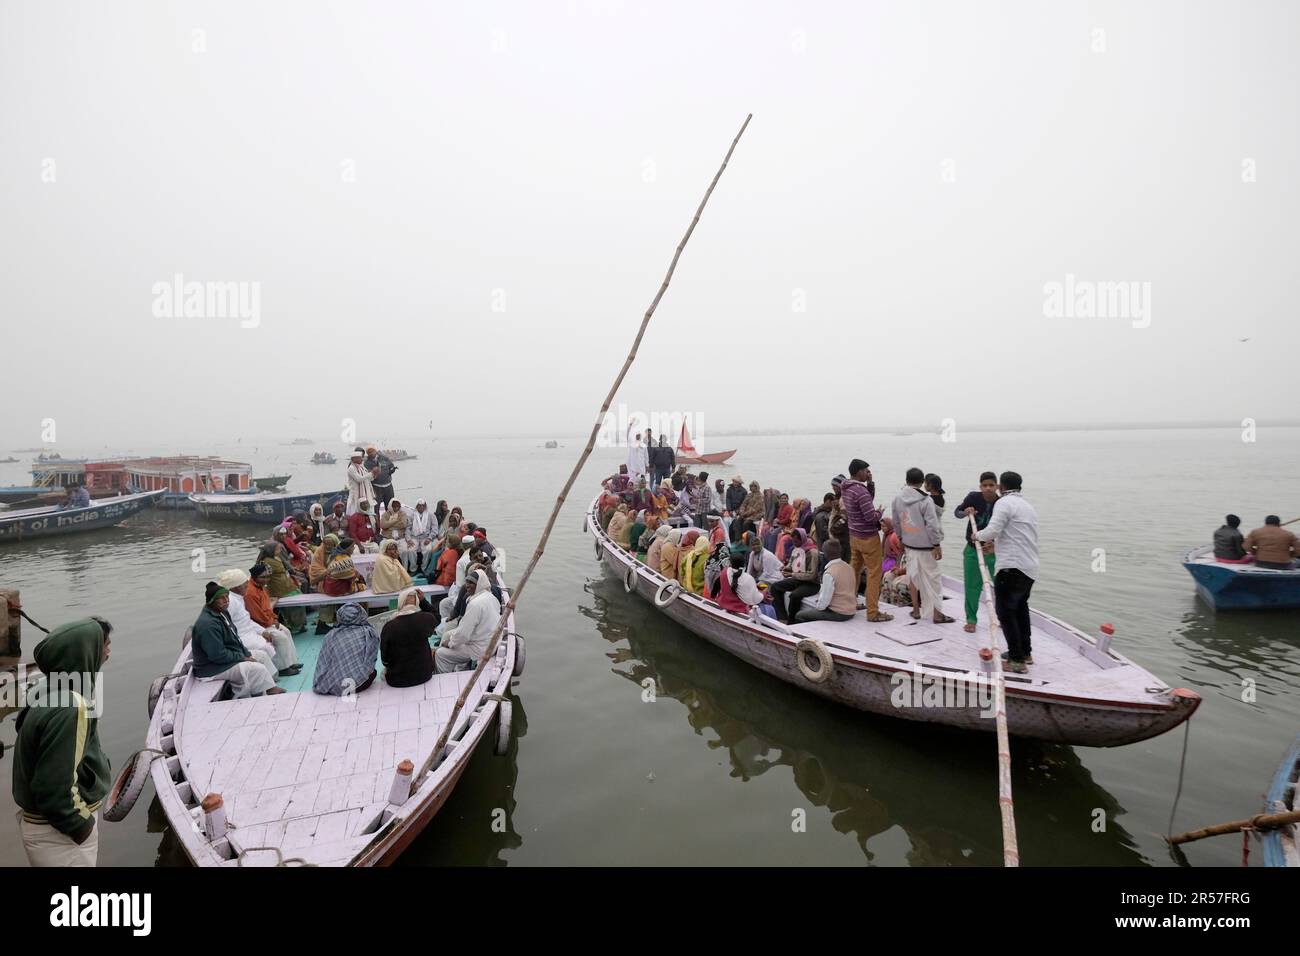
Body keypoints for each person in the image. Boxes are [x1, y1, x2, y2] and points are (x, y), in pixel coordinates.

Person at [11, 616, 113, 866]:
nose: (108, 651)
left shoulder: (47, 689)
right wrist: (82, 827)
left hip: (41, 826)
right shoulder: (71, 705)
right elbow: (54, 790)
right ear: (84, 652)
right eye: (104, 645)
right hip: (59, 835)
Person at [974, 471, 1039, 673]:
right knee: (1020, 610)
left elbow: (993, 530)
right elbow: (1016, 535)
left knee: (1005, 612)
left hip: (1012, 568)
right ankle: (1024, 652)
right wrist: (996, 546)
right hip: (1029, 567)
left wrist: (977, 535)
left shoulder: (1004, 503)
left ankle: (1017, 661)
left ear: (1001, 487)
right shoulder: (1027, 506)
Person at [191, 583, 281, 697]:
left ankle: (269, 688)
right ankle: (258, 695)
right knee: (255, 668)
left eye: (227, 597)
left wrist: (246, 653)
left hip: (225, 658)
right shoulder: (208, 625)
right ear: (211, 601)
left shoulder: (222, 612)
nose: (226, 600)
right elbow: (217, 655)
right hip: (211, 668)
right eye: (221, 598)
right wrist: (242, 658)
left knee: (261, 655)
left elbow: (235, 638)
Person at [891, 467, 952, 625]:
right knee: (934, 580)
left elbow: (896, 522)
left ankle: (916, 610)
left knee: (913, 577)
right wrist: (936, 544)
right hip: (926, 547)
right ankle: (937, 615)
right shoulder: (926, 500)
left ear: (907, 479)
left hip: (910, 545)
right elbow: (932, 525)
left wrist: (901, 538)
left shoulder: (897, 498)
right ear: (921, 481)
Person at [215, 568, 301, 676]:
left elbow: (247, 620)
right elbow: (226, 626)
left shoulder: (238, 598)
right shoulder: (230, 602)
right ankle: (280, 669)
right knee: (272, 642)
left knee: (283, 632)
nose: (247, 584)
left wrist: (262, 631)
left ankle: (288, 663)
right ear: (236, 587)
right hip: (242, 635)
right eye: (244, 583)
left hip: (251, 629)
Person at [842, 459, 890, 622]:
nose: (868, 473)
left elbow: (866, 500)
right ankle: (873, 612)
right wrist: (879, 513)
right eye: (865, 470)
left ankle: (851, 602)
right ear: (858, 472)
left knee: (854, 570)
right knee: (874, 574)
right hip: (868, 537)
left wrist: (870, 484)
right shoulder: (860, 492)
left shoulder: (847, 488)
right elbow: (870, 516)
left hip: (854, 535)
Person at [954, 472, 999, 633]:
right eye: (984, 485)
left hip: (995, 551)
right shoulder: (973, 497)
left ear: (997, 487)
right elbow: (957, 513)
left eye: (991, 485)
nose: (987, 488)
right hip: (973, 549)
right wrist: (966, 512)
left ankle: (1002, 616)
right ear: (980, 487)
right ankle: (971, 619)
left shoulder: (1001, 503)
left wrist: (994, 543)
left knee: (1001, 586)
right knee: (972, 587)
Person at [436, 569, 500, 673]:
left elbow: (463, 634)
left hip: (479, 648)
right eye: (467, 582)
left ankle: (445, 678)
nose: (467, 585)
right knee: (447, 634)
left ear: (479, 584)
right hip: (488, 640)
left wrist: (450, 644)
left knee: (441, 654)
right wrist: (450, 640)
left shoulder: (475, 604)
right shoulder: (492, 598)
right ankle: (459, 668)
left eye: (471, 583)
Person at [313, 603, 380, 696]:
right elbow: (371, 661)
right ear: (361, 615)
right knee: (373, 673)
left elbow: (323, 663)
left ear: (340, 616)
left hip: (328, 684)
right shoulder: (368, 633)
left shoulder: (330, 635)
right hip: (355, 685)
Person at [381, 588, 438, 687]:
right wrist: (423, 601)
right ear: (417, 602)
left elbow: (384, 658)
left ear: (400, 602)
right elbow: (437, 617)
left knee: (383, 674)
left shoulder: (389, 626)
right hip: (424, 675)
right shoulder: (426, 619)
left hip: (398, 680)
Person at [768, 529, 824, 623]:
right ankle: (782, 616)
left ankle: (792, 621)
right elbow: (791, 565)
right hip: (798, 579)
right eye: (793, 541)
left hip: (811, 584)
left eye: (796, 541)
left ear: (802, 539)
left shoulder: (812, 553)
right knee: (775, 587)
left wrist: (792, 574)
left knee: (794, 596)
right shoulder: (797, 550)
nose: (794, 543)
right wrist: (785, 568)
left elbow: (812, 575)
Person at [795, 540, 858, 622]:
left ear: (826, 555)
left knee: (800, 615)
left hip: (838, 613)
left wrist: (817, 607)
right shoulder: (849, 567)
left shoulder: (830, 573)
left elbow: (824, 603)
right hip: (851, 610)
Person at [256, 543, 307, 634]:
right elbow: (265, 576)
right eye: (278, 549)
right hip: (279, 587)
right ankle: (295, 626)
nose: (280, 551)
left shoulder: (276, 558)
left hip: (287, 584)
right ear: (272, 551)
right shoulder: (267, 562)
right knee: (293, 606)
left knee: (300, 601)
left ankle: (299, 624)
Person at [716, 548, 766, 615]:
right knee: (769, 609)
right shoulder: (748, 578)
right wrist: (763, 593)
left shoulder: (724, 572)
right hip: (740, 610)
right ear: (744, 564)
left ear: (730, 563)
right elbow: (755, 599)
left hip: (722, 605)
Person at [364, 446, 397, 511]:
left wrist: (392, 470)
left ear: (375, 451)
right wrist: (373, 473)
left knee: (390, 506)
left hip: (388, 486)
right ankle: (376, 520)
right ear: (367, 454)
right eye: (369, 452)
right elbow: (367, 476)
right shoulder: (367, 463)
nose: (371, 453)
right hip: (376, 488)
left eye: (372, 451)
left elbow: (391, 465)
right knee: (375, 507)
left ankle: (390, 520)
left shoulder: (384, 458)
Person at [345, 448, 376, 516]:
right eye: (360, 458)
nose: (362, 459)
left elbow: (368, 479)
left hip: (366, 493)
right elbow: (359, 479)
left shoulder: (362, 467)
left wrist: (374, 475)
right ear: (354, 459)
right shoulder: (351, 468)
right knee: (355, 512)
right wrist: (371, 473)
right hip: (356, 494)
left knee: (368, 510)